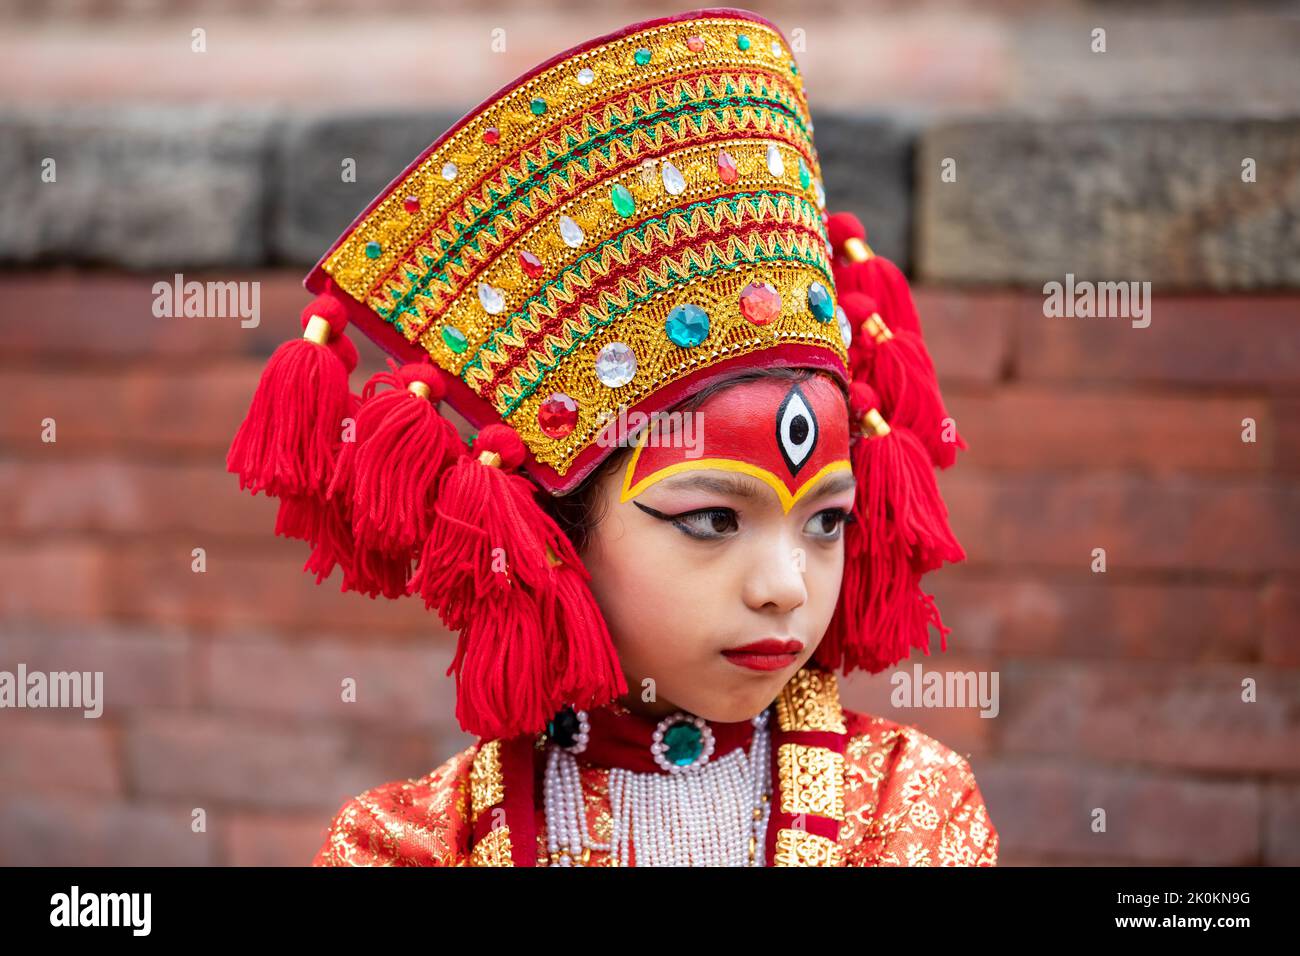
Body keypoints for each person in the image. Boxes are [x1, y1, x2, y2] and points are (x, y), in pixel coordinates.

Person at [226, 7, 997, 867]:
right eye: (711, 520)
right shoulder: (409, 846)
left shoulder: (909, 812)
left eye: (827, 522)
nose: (786, 588)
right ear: (553, 534)